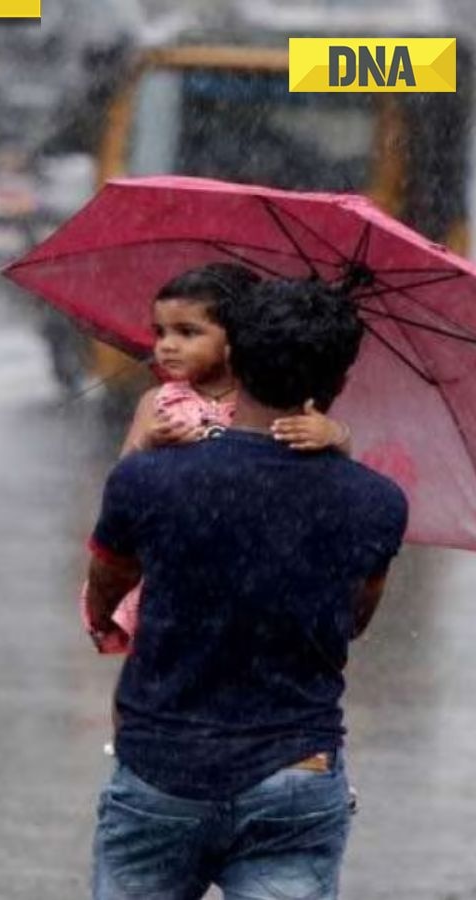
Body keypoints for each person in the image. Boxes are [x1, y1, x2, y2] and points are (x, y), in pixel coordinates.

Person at [84, 276, 408, 899]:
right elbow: (353, 620)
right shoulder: (377, 501)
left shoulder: (148, 479)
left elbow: (107, 590)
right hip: (296, 770)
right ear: (338, 382)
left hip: (161, 765)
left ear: (233, 354)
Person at [80, 263, 352, 653]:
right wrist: (148, 447)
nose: (166, 346)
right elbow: (123, 483)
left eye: (187, 332)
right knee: (154, 655)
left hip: (245, 550)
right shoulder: (158, 402)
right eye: (159, 333)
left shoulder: (265, 400)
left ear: (237, 339)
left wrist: (335, 434)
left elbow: (328, 466)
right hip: (176, 550)